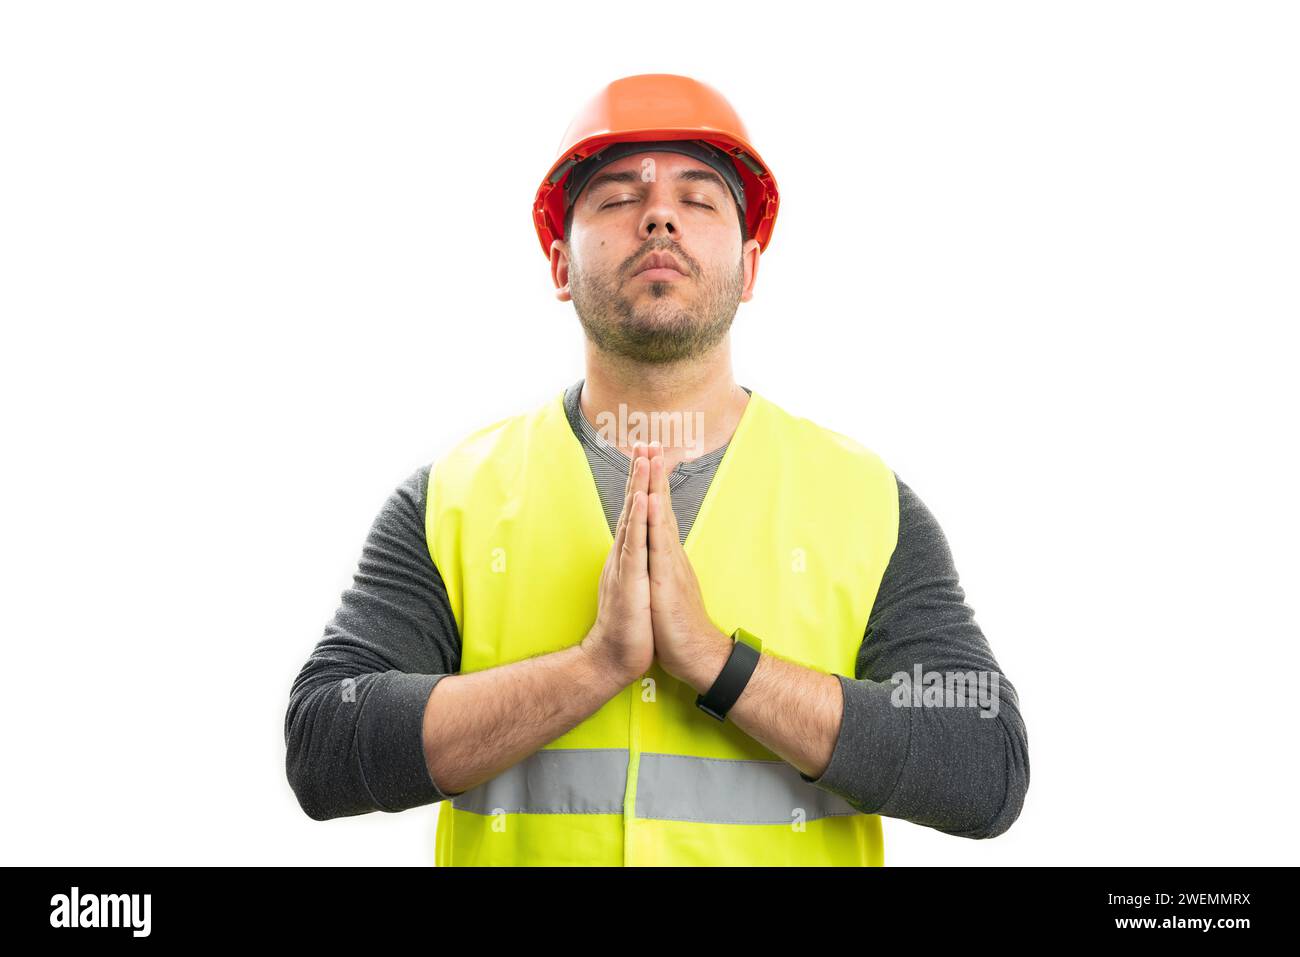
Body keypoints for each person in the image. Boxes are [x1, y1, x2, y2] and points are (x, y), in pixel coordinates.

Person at [284, 73, 1029, 866]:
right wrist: (590, 669)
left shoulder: (866, 504)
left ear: (749, 266)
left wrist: (717, 661)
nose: (659, 213)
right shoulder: (450, 501)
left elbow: (983, 760)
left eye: (700, 198)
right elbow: (326, 741)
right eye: (613, 199)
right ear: (560, 263)